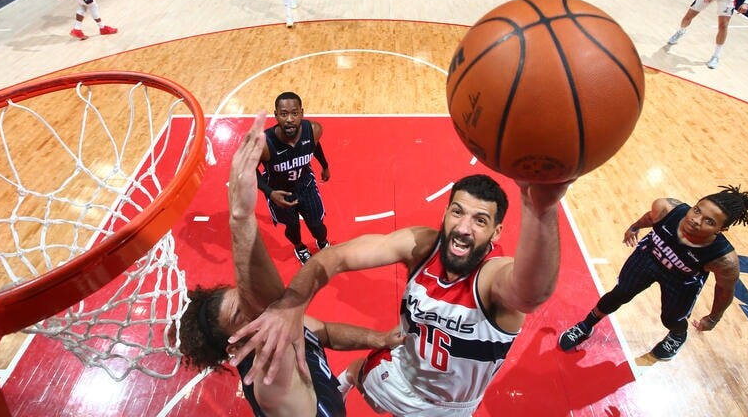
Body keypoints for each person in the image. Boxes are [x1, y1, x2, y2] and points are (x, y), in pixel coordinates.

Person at [229, 174, 572, 416]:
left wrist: (541, 211)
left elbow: (531, 294)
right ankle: (347, 381)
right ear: (445, 212)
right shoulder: (423, 246)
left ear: (496, 232)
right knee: (361, 367)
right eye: (457, 212)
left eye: (480, 221)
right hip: (401, 370)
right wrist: (292, 304)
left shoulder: (492, 278)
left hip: (445, 408)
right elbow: (337, 256)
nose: (464, 228)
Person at [179, 112, 402, 417]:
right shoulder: (269, 382)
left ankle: (346, 380)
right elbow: (268, 300)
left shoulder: (281, 327)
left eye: (239, 297)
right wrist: (241, 220)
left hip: (324, 397)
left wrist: (379, 338)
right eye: (240, 311)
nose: (249, 302)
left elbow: (323, 333)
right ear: (234, 347)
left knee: (350, 372)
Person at [558, 186, 748, 360]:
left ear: (721, 230)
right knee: (618, 294)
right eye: (697, 210)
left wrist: (713, 318)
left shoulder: (724, 260)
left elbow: (725, 290)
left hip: (681, 280)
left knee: (670, 319)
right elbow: (651, 217)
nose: (696, 220)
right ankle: (586, 325)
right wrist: (635, 226)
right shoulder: (666, 208)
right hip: (648, 258)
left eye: (709, 221)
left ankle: (678, 335)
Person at [257, 92, 331, 264]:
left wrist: (325, 166)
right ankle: (299, 247)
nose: (289, 119)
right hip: (279, 191)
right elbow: (250, 171)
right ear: (276, 115)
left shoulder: (313, 130)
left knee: (317, 225)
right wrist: (270, 193)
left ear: (302, 113)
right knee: (292, 227)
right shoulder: (263, 144)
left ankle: (322, 243)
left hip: (306, 185)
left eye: (294, 113)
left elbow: (315, 145)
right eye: (283, 114)